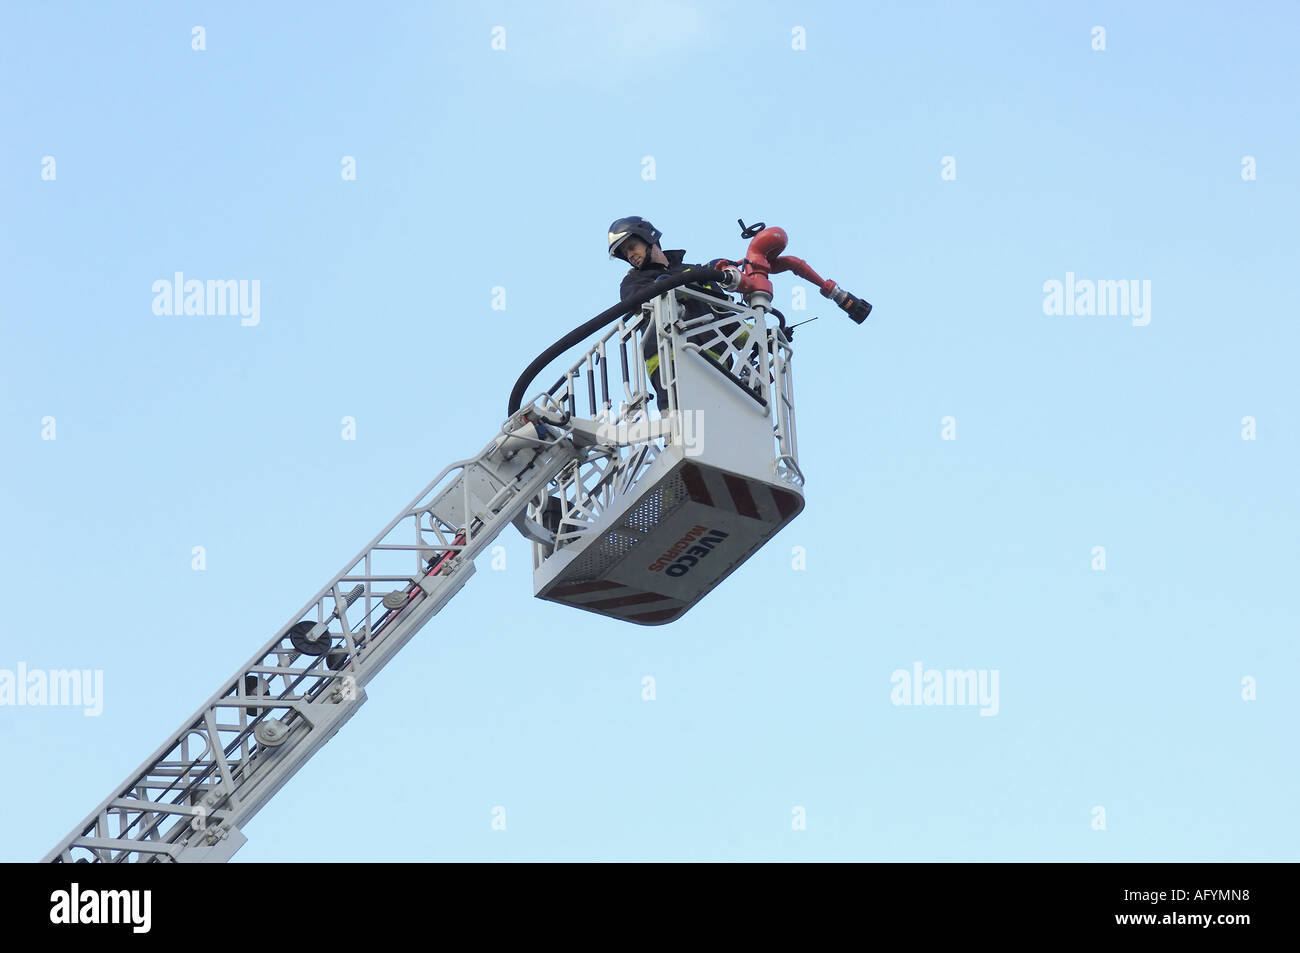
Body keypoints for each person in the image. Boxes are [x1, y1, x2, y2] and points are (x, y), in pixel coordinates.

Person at [607, 216, 744, 411]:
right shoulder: (633, 283)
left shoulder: (696, 272)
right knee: (681, 432)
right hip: (670, 362)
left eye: (632, 246)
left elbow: (727, 318)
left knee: (719, 430)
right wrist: (685, 282)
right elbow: (644, 301)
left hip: (716, 363)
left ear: (649, 238)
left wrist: (762, 336)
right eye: (625, 252)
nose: (629, 255)